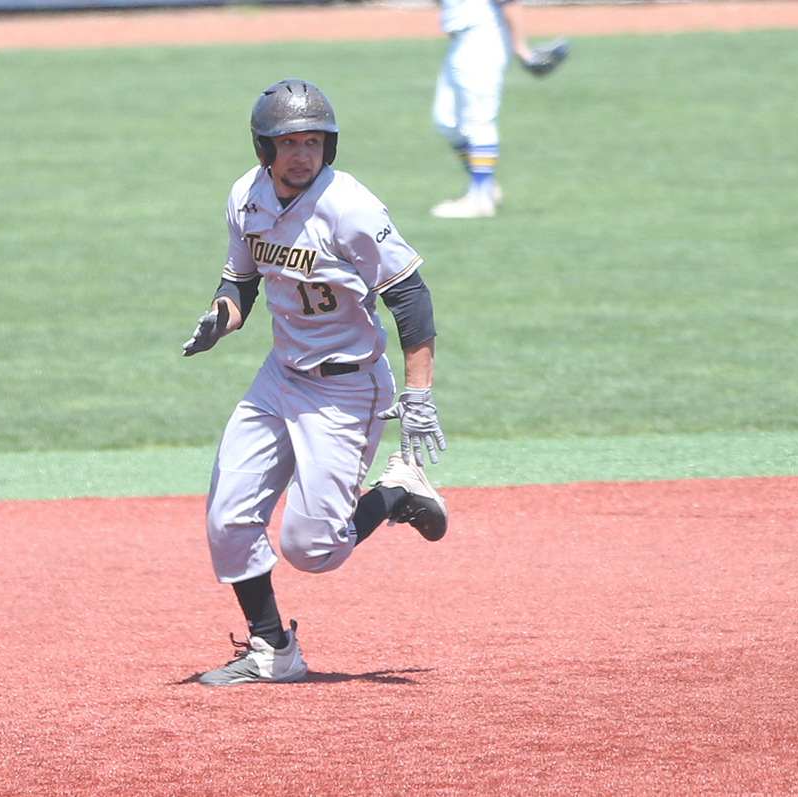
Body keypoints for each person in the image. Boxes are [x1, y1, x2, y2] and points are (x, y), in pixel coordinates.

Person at [181, 78, 450, 685]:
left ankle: (397, 491)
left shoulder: (349, 206)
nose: (302, 153)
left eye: (314, 141)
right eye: (288, 143)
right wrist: (220, 321)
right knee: (228, 518)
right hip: (279, 378)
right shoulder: (245, 197)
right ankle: (272, 649)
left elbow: (410, 298)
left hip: (348, 388)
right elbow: (241, 282)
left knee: (313, 551)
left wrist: (418, 396)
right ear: (263, 149)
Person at [429, 0, 540, 219]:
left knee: (478, 120)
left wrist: (521, 48)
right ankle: (484, 186)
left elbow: (510, 2)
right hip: (460, 39)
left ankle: (480, 199)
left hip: (483, 37)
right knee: (446, 121)